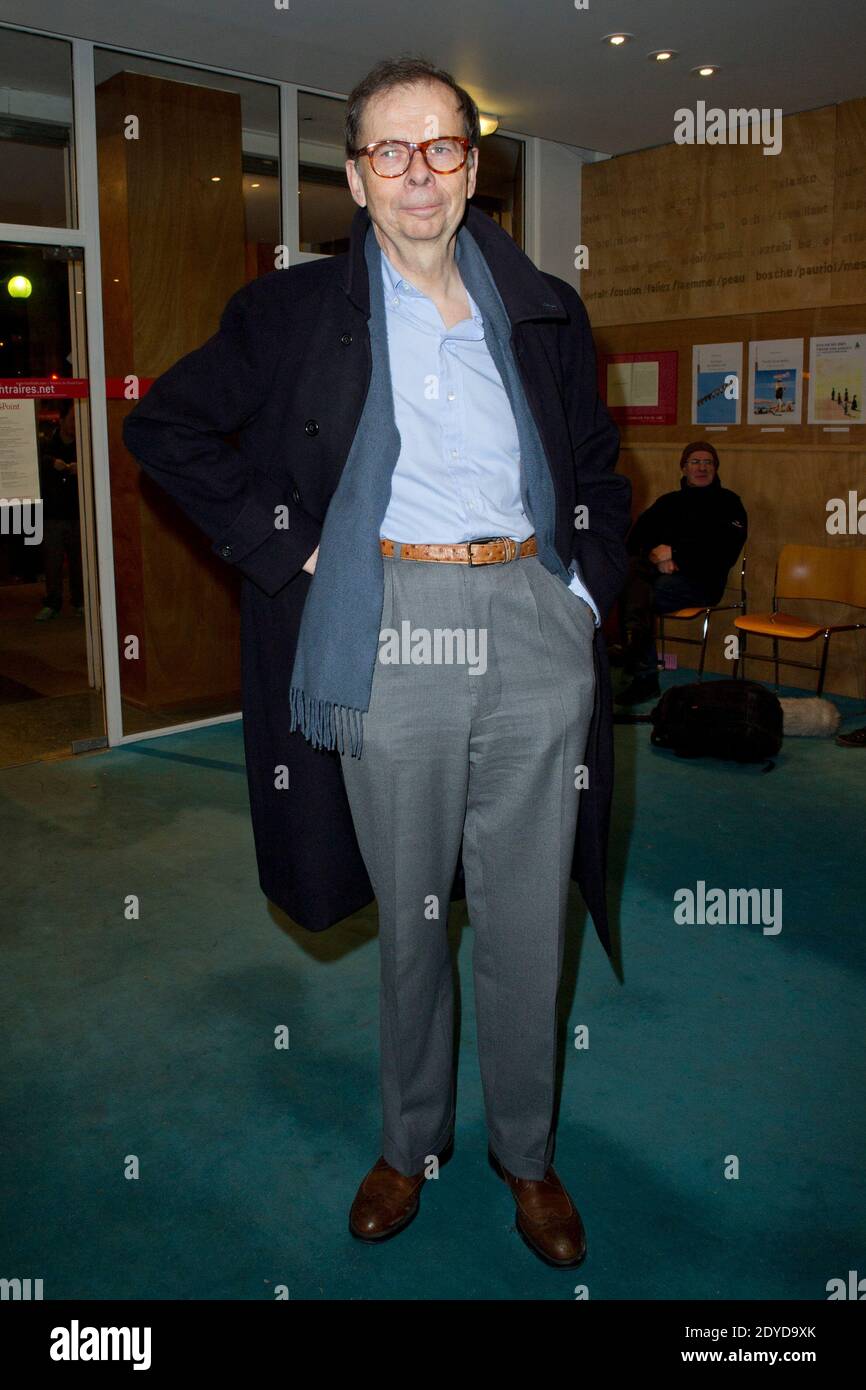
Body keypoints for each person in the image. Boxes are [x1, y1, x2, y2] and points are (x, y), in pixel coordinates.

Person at [122, 55, 632, 1268]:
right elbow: (165, 426)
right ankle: (411, 1144)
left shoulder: (543, 305)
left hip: (530, 616)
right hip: (386, 616)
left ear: (472, 168)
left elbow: (602, 469)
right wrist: (287, 553)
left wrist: (582, 591)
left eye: (442, 147)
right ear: (355, 176)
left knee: (523, 913)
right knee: (413, 910)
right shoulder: (293, 312)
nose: (418, 172)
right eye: (390, 151)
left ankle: (526, 1153)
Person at [615, 441, 747, 704]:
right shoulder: (668, 503)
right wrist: (656, 556)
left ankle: (641, 669)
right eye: (695, 462)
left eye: (708, 462)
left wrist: (677, 555)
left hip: (702, 583)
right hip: (656, 578)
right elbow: (635, 541)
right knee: (630, 579)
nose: (701, 467)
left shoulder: (729, 503)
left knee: (640, 595)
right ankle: (640, 665)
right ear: (684, 467)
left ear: (716, 469)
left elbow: (724, 550)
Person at [35, 399, 84, 620]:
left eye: (78, 419)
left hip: (77, 513)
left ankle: (80, 601)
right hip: (52, 514)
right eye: (72, 419)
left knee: (79, 561)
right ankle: (52, 603)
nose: (75, 424)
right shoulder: (47, 444)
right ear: (62, 420)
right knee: (52, 562)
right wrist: (50, 463)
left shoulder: (84, 446)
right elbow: (35, 464)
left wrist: (80, 469)